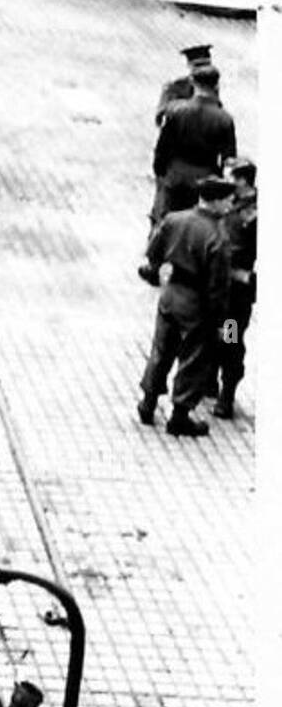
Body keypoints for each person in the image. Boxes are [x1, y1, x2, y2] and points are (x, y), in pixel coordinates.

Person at [137, 176, 234, 437]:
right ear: (215, 202)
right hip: (198, 304)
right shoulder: (218, 237)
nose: (230, 205)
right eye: (227, 200)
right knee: (193, 359)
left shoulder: (174, 219)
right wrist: (223, 325)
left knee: (161, 350)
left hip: (171, 295)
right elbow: (218, 288)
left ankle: (148, 403)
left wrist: (159, 272)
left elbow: (153, 252)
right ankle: (180, 415)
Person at [150, 65, 236, 232]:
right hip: (204, 178)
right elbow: (229, 157)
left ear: (193, 84)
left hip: (175, 175)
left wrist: (160, 171)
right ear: (216, 86)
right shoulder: (225, 119)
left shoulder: (176, 111)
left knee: (167, 221)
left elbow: (163, 146)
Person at [214, 157, 258, 420]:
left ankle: (226, 392)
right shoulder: (228, 202)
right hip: (217, 288)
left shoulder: (256, 214)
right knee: (212, 336)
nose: (226, 180)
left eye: (230, 177)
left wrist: (247, 277)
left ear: (242, 181)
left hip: (235, 295)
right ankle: (209, 383)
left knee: (229, 339)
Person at [155, 43, 214, 126]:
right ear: (190, 67)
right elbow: (160, 119)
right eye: (198, 66)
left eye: (206, 67)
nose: (202, 71)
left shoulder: (212, 88)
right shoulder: (174, 88)